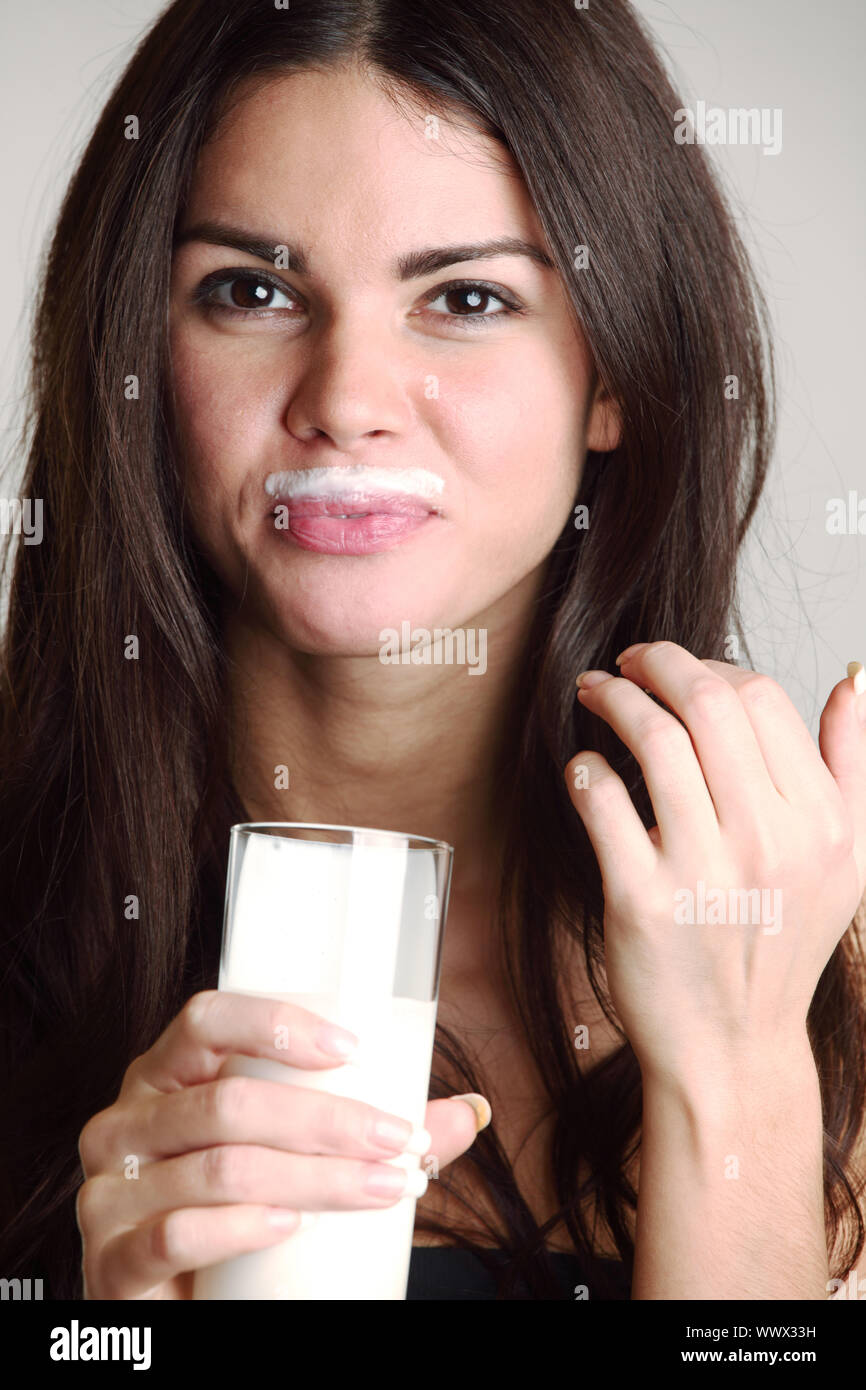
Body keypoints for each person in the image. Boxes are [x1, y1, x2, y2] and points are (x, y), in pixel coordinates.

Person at [1, 0, 864, 1302]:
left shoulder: (809, 954)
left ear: (614, 372)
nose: (345, 399)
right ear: (136, 347)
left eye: (463, 297)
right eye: (252, 290)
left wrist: (738, 1082)